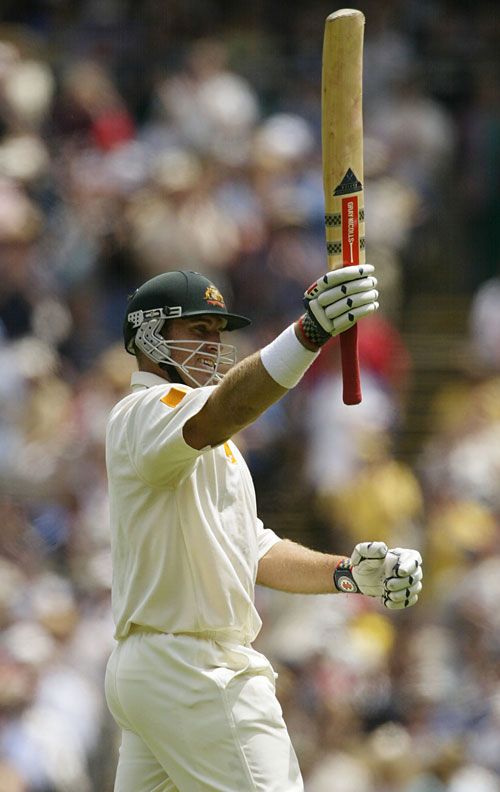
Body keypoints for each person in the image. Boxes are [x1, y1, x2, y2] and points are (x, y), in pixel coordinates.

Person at [104, 267, 423, 792]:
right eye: (197, 331)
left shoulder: (208, 438)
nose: (212, 347)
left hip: (157, 672)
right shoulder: (147, 411)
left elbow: (255, 549)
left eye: (217, 334)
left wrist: (348, 575)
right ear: (148, 335)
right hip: (194, 669)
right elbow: (228, 405)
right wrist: (309, 333)